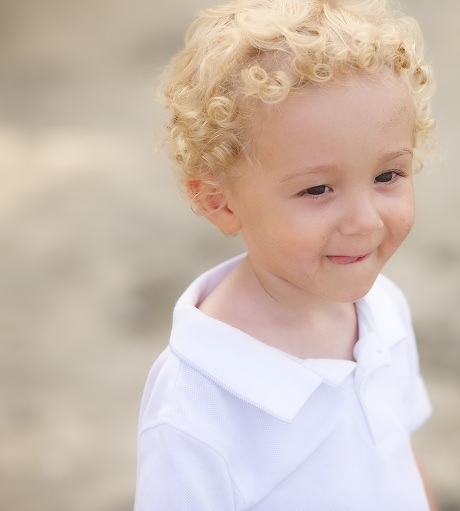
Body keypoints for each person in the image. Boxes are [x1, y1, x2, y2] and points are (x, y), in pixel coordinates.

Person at [134, 0, 437, 509]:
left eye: (387, 176)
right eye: (317, 189)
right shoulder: (195, 405)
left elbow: (398, 453)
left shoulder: (384, 310)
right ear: (220, 202)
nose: (365, 221)